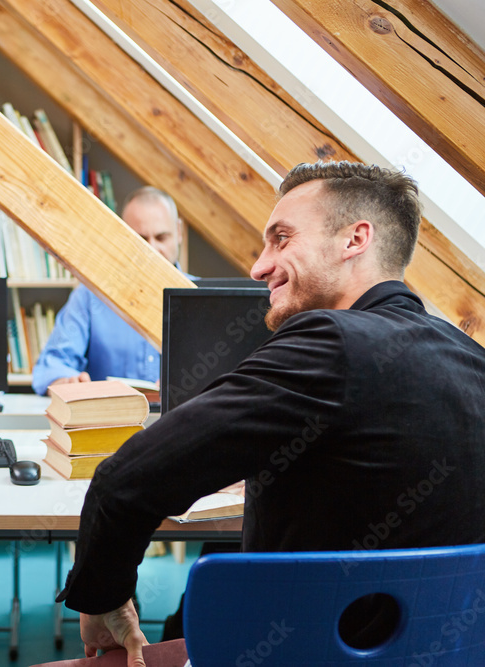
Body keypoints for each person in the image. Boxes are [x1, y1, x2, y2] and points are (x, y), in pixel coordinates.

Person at [57, 161, 485, 665]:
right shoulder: (472, 358)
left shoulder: (329, 341)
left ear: (355, 240)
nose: (259, 266)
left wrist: (101, 599)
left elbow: (124, 481)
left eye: (280, 239)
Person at [31, 186, 186, 395]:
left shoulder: (207, 299)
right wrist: (67, 383)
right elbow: (51, 366)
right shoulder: (90, 297)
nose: (152, 250)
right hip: (112, 424)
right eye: (140, 239)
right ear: (123, 237)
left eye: (161, 237)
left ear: (179, 232)